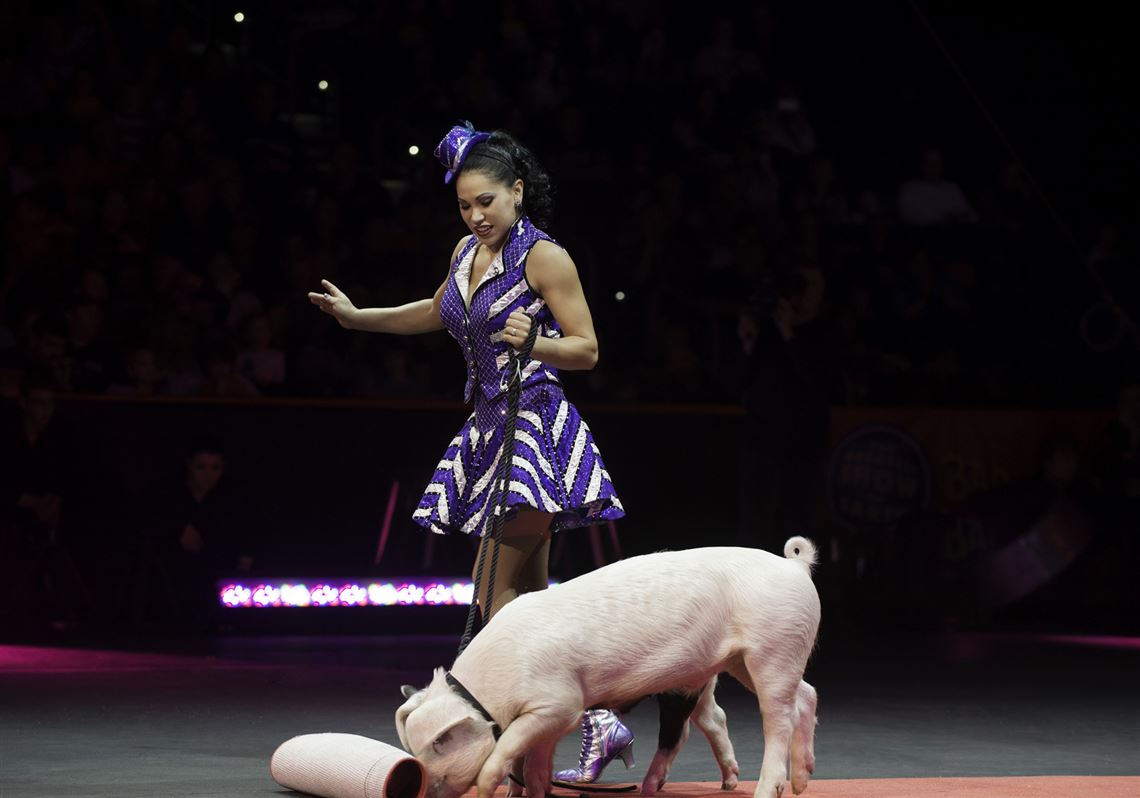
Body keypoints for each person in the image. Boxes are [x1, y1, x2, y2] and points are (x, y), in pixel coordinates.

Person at [308, 123, 629, 783]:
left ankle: (568, 720)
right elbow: (437, 311)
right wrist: (360, 317)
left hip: (534, 429)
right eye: (465, 204)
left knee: (493, 593)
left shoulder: (544, 257)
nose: (476, 215)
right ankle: (579, 723)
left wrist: (534, 342)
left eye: (487, 201)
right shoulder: (464, 251)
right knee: (529, 600)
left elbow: (589, 349)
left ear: (516, 191)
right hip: (487, 428)